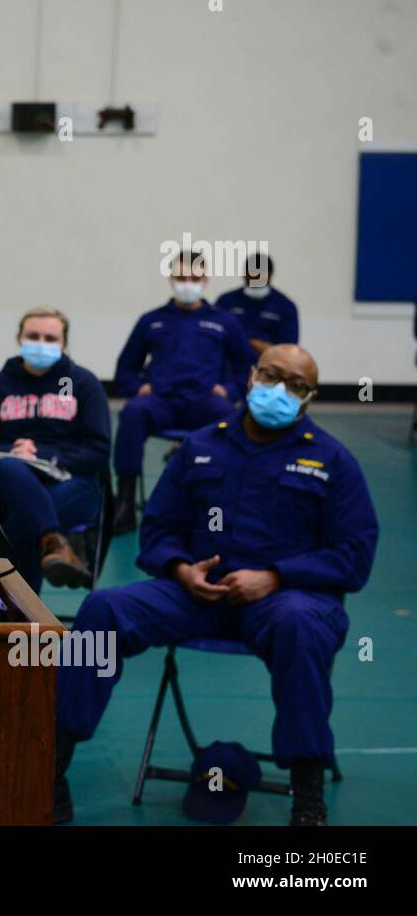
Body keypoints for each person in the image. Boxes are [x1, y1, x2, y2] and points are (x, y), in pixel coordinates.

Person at [54, 344, 378, 827]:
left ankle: (306, 791)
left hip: (285, 599)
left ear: (309, 397)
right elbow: (158, 529)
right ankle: (51, 763)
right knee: (103, 611)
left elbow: (354, 555)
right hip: (197, 592)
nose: (279, 390)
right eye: (271, 376)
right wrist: (181, 568)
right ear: (251, 376)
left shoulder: (332, 461)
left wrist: (276, 577)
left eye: (295, 385)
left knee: (301, 628)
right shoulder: (202, 445)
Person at [0, 307, 110, 594]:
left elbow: (99, 451)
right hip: (2, 485)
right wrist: (13, 451)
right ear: (19, 338)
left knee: (23, 518)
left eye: (50, 337)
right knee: (9, 469)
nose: (41, 343)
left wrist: (44, 455)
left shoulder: (85, 384)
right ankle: (52, 544)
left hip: (70, 483)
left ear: (64, 343)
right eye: (33, 336)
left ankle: (16, 613)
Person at [111, 251, 254, 534]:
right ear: (170, 279)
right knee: (132, 413)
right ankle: (125, 503)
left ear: (205, 280)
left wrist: (228, 390)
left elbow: (245, 367)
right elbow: (125, 367)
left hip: (205, 402)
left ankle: (218, 503)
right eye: (181, 277)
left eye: (194, 277)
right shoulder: (151, 320)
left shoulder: (224, 322)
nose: (187, 283)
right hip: (161, 401)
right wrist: (139, 387)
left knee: (232, 419)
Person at [215, 252, 299, 382]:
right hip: (230, 370)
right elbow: (215, 338)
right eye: (252, 273)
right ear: (245, 273)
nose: (256, 277)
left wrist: (260, 346)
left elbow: (289, 350)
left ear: (270, 275)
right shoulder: (226, 302)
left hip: (270, 372)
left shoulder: (285, 306)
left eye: (261, 274)